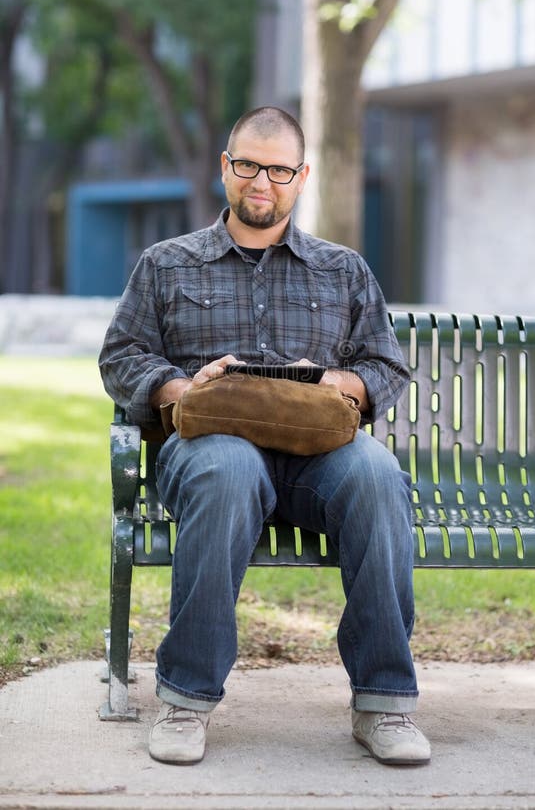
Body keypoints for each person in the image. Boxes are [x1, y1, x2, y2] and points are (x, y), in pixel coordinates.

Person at [99, 106, 431, 767]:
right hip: (206, 452)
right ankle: (187, 701)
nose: (262, 182)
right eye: (248, 164)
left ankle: (384, 703)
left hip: (320, 458)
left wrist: (327, 379)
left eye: (279, 169)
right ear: (226, 167)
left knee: (376, 475)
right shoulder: (165, 264)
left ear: (301, 177)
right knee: (227, 470)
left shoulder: (342, 269)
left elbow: (386, 367)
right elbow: (121, 356)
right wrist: (182, 390)